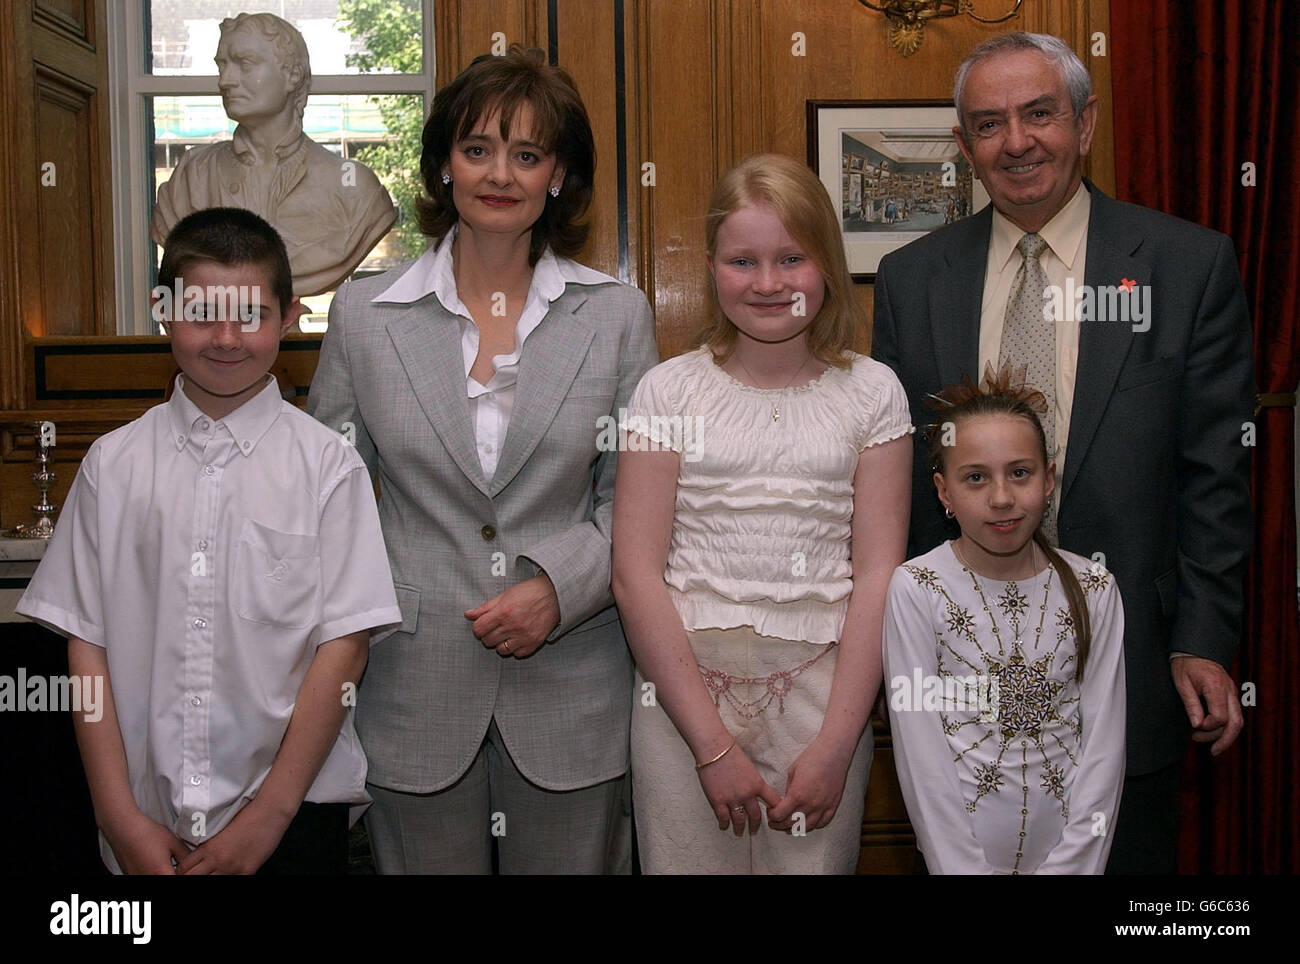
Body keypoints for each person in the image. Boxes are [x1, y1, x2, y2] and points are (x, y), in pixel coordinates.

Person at [871, 31, 1252, 873]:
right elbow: (897, 482)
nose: (1016, 142)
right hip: (960, 680)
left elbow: (1216, 477)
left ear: (1084, 124)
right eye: (989, 124)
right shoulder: (911, 278)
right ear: (965, 148)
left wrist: (1203, 639)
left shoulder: (1187, 267)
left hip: (1136, 671)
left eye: (1038, 114)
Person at [308, 46, 658, 874]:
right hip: (409, 682)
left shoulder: (615, 317)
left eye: (528, 154)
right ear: (442, 168)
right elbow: (331, 499)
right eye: (477, 149)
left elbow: (640, 505)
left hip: (574, 684)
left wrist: (559, 589)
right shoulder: (365, 315)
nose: (500, 173)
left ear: (558, 176)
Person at [17, 207, 401, 874]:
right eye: (202, 312)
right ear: (163, 311)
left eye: (250, 313)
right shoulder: (113, 465)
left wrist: (267, 818)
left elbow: (345, 647)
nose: (226, 337)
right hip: (143, 819)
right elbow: (88, 646)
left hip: (291, 817)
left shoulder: (329, 467)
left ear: (290, 316)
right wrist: (116, 816)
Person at [612, 153, 912, 873]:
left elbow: (878, 577)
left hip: (823, 696)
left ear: (827, 267)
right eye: (743, 260)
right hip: (684, 698)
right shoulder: (668, 392)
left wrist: (837, 747)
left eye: (791, 259)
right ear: (713, 267)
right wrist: (711, 748)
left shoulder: (873, 394)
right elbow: (633, 574)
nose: (769, 283)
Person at [883, 364, 1126, 874]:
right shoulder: (916, 589)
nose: (1001, 497)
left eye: (1020, 472)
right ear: (944, 493)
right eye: (975, 478)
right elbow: (921, 757)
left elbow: (1104, 748)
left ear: (1048, 478)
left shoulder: (1094, 588)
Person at [150, 12, 396, 297]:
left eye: (245, 63)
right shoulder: (191, 175)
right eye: (222, 66)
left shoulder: (354, 187)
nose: (226, 81)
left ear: (292, 75)